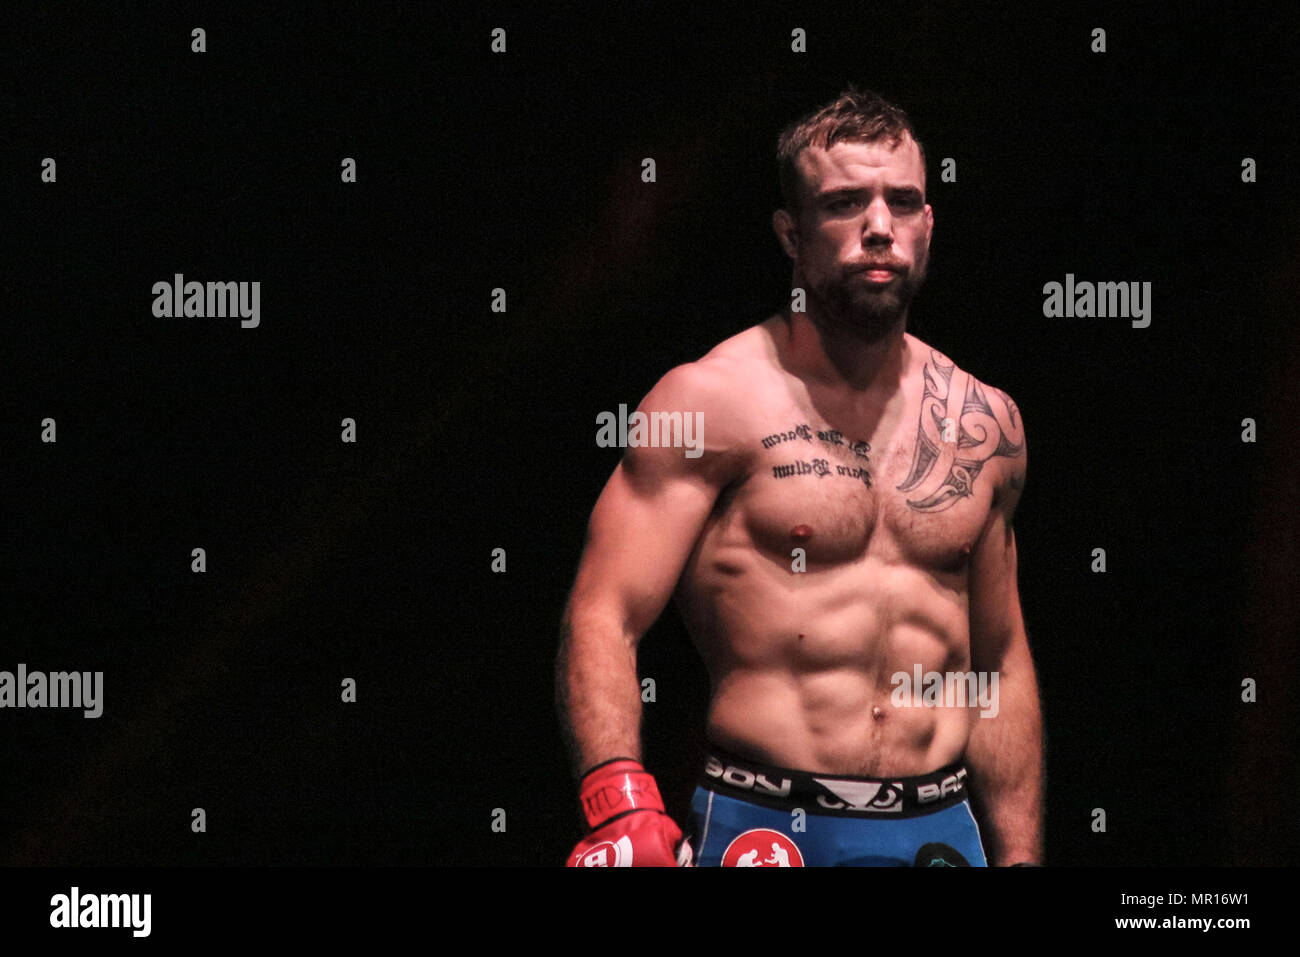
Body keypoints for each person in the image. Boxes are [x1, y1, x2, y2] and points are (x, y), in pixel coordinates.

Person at [556, 86, 1042, 866]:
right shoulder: (710, 401)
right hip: (769, 829)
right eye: (846, 202)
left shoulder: (987, 425)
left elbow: (1000, 661)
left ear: (928, 223)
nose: (879, 226)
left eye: (903, 201)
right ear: (792, 232)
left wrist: (1019, 857)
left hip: (939, 834)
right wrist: (618, 800)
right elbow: (604, 609)